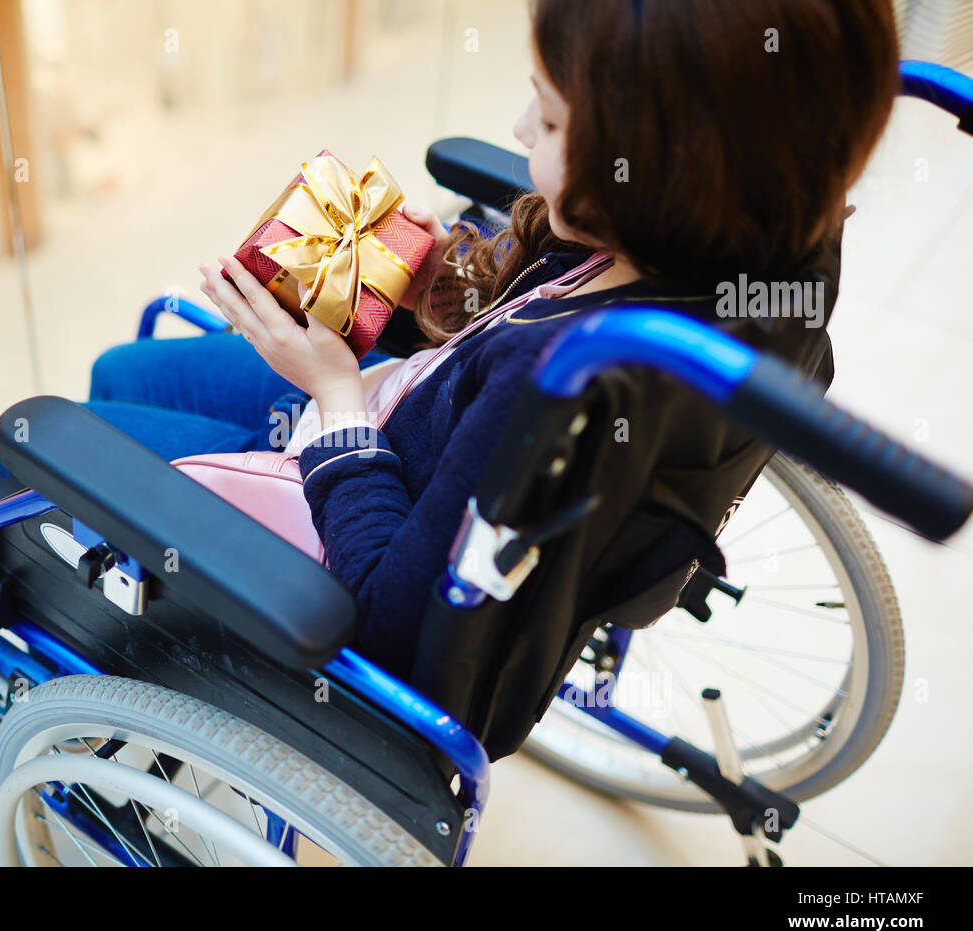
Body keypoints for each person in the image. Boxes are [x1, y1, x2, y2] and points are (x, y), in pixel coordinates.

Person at [88, 0, 899, 675]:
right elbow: (524, 303)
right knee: (122, 372)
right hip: (416, 412)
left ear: (650, 175)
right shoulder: (768, 234)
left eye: (547, 117)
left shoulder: (550, 377)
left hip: (356, 491)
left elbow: (385, 621)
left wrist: (334, 392)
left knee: (57, 448)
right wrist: (436, 274)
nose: (518, 128)